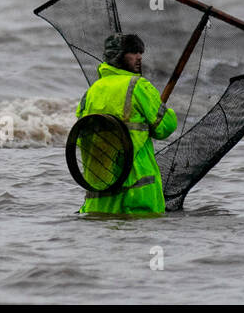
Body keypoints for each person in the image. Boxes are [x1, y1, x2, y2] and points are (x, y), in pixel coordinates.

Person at [75, 32, 177, 216]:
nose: (139, 57)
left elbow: (81, 133)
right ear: (118, 56)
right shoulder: (138, 86)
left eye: (140, 52)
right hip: (137, 194)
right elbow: (164, 128)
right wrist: (167, 112)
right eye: (132, 52)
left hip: (99, 198)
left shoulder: (91, 91)